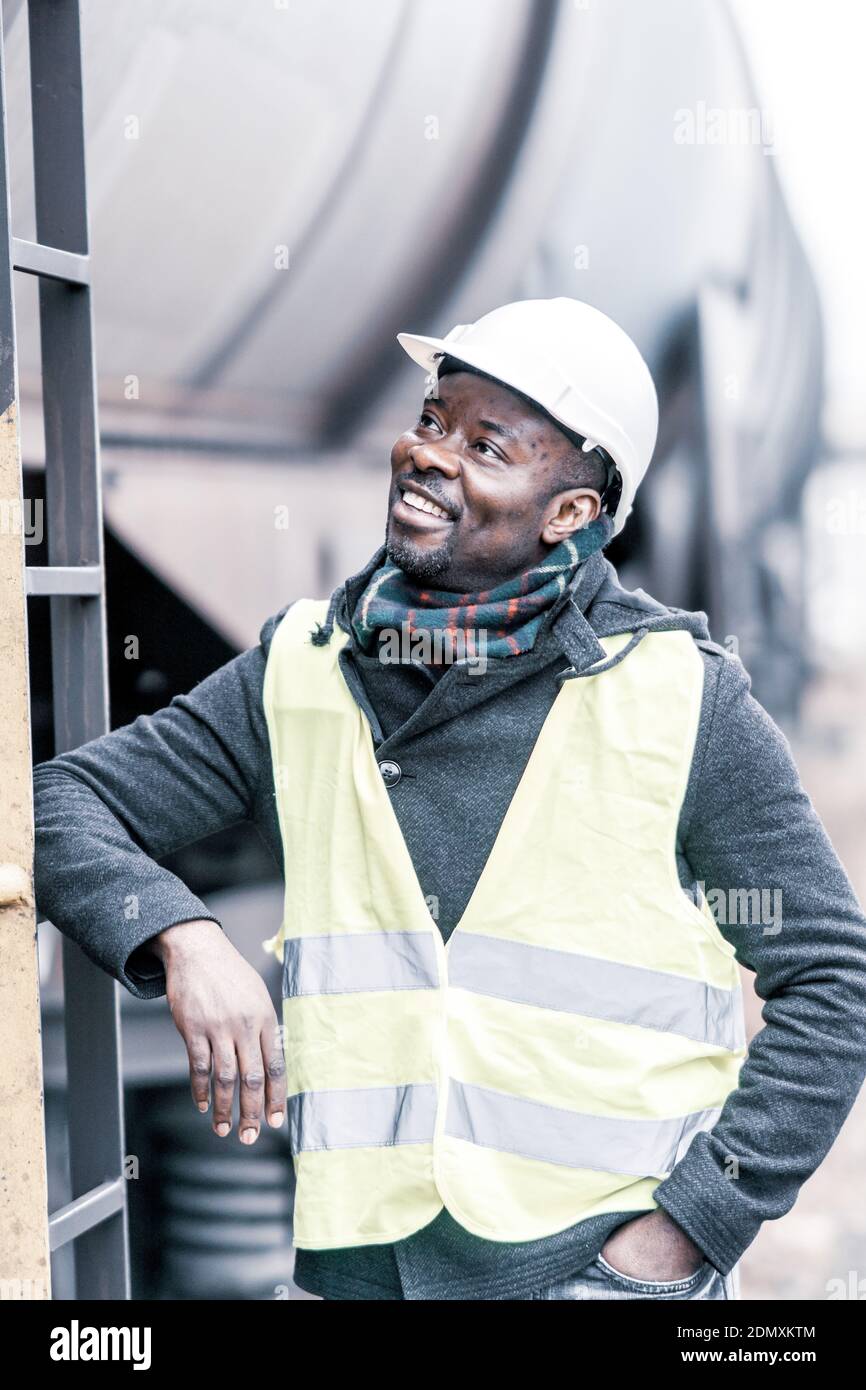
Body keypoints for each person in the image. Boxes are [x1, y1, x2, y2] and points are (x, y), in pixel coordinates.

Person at [33, 298, 866, 1302]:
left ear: (568, 514)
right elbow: (56, 802)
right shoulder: (303, 667)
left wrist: (688, 1231)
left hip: (595, 1283)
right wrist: (177, 932)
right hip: (356, 1278)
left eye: (485, 444)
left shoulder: (680, 695)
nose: (430, 455)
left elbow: (830, 982)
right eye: (431, 421)